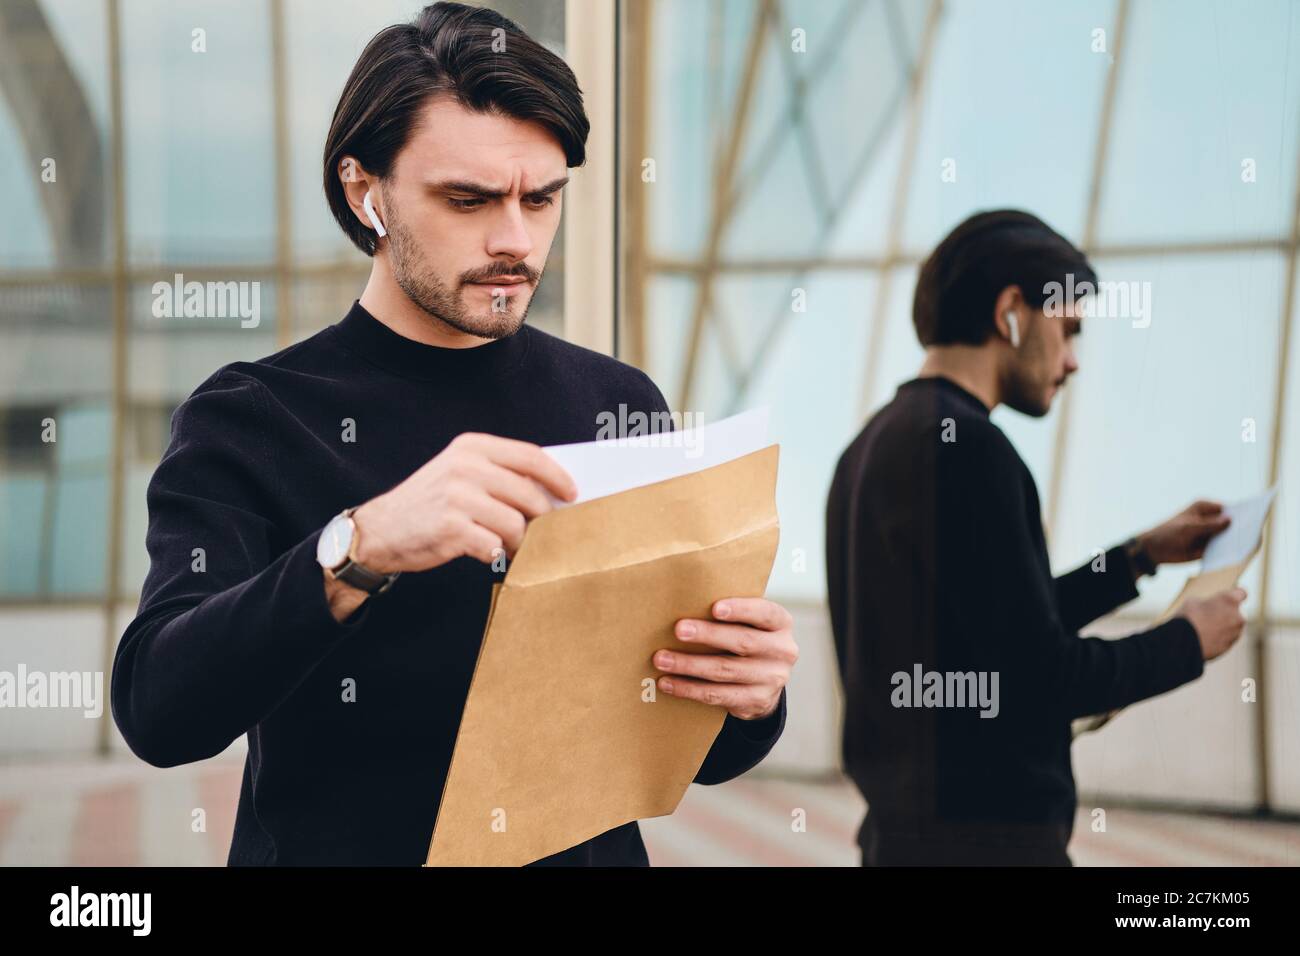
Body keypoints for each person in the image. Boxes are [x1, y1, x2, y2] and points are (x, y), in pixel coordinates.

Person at [112, 2, 797, 866]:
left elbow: (701, 754)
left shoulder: (616, 401)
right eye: (467, 199)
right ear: (366, 191)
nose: (515, 240)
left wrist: (748, 693)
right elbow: (158, 711)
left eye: (541, 199)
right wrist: (359, 547)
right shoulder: (251, 417)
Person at [825, 209, 1245, 866]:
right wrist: (1187, 640)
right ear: (1012, 312)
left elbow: (999, 628)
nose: (1073, 361)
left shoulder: (870, 447)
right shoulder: (975, 452)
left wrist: (1137, 556)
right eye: (1069, 328)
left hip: (901, 840)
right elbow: (1042, 677)